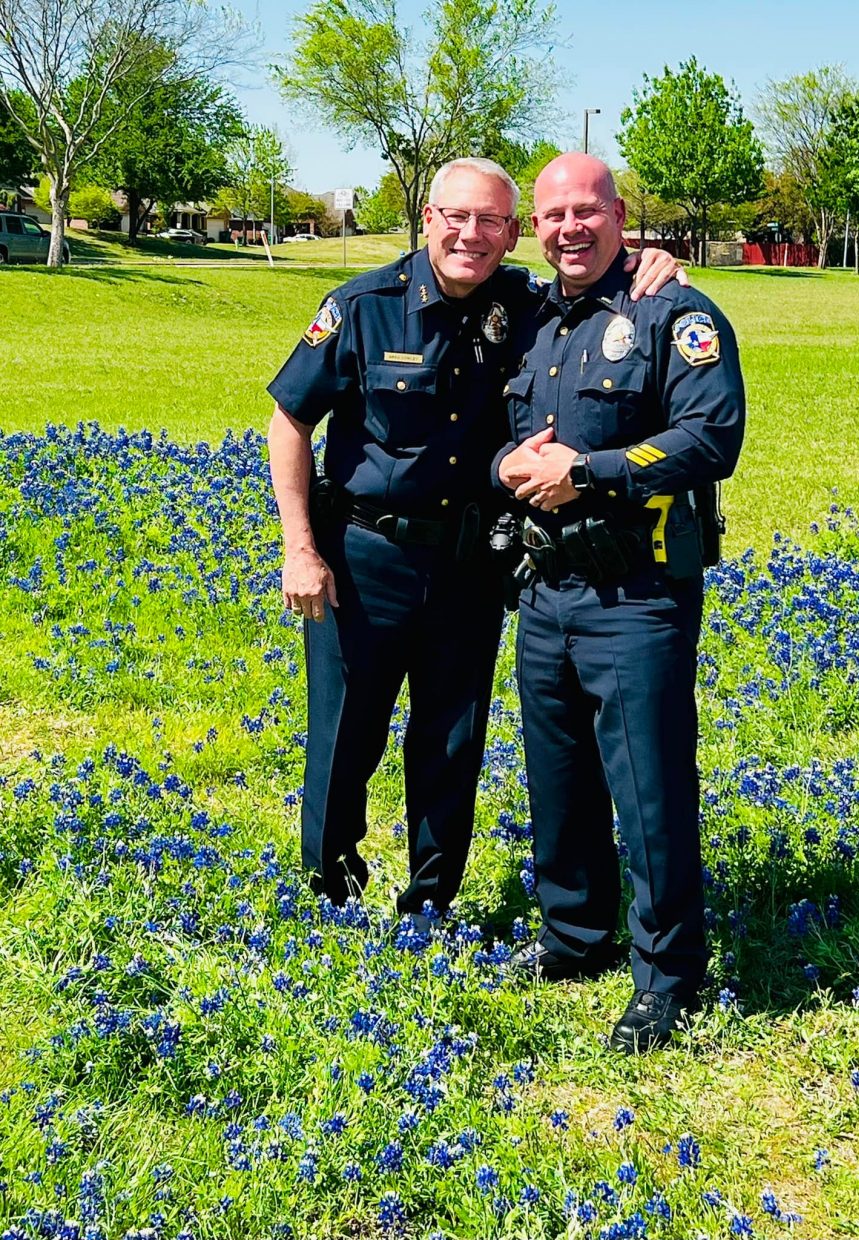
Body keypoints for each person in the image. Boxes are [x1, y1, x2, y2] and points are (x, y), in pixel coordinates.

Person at [266, 157, 683, 926]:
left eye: (491, 221)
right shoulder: (363, 306)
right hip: (367, 556)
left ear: (512, 233)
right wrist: (301, 548)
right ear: (427, 219)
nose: (471, 234)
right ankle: (331, 893)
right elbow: (290, 420)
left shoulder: (526, 305)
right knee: (345, 734)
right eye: (456, 217)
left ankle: (430, 903)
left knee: (451, 741)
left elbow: (604, 286)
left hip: (471, 561)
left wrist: (649, 261)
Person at [495, 153, 746, 1052]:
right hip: (545, 586)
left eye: (585, 212)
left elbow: (711, 437)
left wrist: (590, 472)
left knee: (648, 788)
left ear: (619, 215)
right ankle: (574, 936)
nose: (569, 228)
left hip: (637, 592)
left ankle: (668, 976)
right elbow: (495, 436)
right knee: (557, 778)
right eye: (553, 214)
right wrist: (506, 467)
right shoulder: (528, 319)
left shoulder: (673, 313)